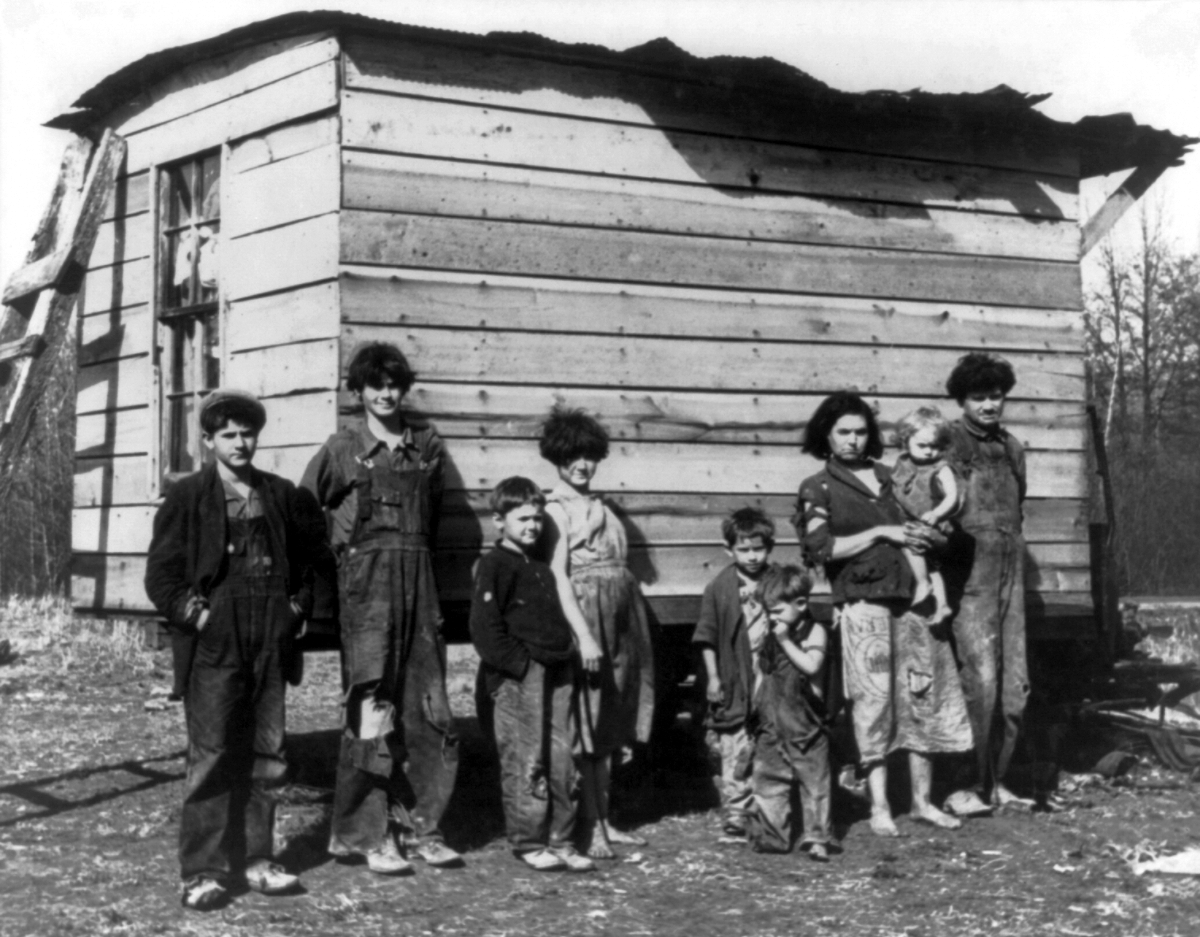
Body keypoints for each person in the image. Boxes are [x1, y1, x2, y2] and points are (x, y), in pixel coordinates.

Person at [144, 389, 328, 910]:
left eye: (247, 433)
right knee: (212, 755)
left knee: (269, 755)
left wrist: (297, 607)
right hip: (216, 639)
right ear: (208, 441)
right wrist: (198, 614)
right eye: (228, 435)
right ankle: (202, 872)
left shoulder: (281, 494)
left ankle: (258, 860)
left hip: (271, 633)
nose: (240, 442)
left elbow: (314, 558)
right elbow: (160, 577)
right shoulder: (188, 497)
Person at [301, 342, 461, 875]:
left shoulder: (426, 445)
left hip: (420, 584)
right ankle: (367, 835)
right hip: (367, 593)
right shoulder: (342, 448)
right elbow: (305, 512)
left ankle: (424, 829)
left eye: (393, 384)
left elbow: (433, 516)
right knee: (370, 709)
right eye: (375, 385)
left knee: (427, 708)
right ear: (358, 392)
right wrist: (339, 563)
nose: (386, 394)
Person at [794, 391, 973, 837]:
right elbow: (820, 548)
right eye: (843, 433)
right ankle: (879, 807)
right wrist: (881, 531)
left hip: (915, 601)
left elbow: (937, 530)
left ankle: (922, 802)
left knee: (921, 697)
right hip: (863, 605)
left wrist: (932, 540)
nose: (853, 441)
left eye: (860, 432)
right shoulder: (818, 487)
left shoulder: (895, 475)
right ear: (827, 437)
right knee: (873, 702)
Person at [539, 406, 655, 859]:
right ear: (557, 460)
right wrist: (584, 636)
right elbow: (559, 576)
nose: (582, 466)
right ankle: (587, 826)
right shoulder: (554, 509)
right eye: (572, 458)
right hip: (587, 615)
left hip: (622, 615)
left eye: (589, 456)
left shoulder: (602, 505)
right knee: (585, 720)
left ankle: (606, 818)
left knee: (612, 716)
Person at [469, 476, 597, 873]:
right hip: (521, 675)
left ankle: (562, 838)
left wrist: (569, 653)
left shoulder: (540, 567)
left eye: (538, 519)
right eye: (523, 518)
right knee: (527, 756)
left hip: (559, 668)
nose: (532, 527)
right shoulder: (493, 566)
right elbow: (485, 629)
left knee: (563, 755)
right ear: (498, 521)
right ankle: (529, 840)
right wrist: (522, 666)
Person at [942, 353, 1034, 813]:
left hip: (1010, 576)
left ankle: (999, 781)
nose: (989, 405)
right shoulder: (949, 443)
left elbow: (1018, 508)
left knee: (1014, 686)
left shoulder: (1013, 447)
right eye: (978, 397)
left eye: (995, 396)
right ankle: (963, 786)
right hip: (969, 578)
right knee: (978, 683)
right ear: (962, 400)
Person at [692, 507, 776, 838]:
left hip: (770, 674)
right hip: (733, 673)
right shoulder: (719, 588)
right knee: (736, 743)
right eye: (744, 550)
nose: (752, 556)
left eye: (759, 549)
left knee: (770, 738)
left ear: (770, 547)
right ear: (730, 550)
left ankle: (768, 807)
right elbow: (707, 636)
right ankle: (738, 810)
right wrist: (713, 678)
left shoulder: (779, 579)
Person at [745, 565, 833, 860]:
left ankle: (817, 837)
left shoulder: (814, 630)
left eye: (778, 611)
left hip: (803, 720)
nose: (773, 618)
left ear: (801, 604)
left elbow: (811, 666)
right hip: (772, 720)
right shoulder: (772, 633)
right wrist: (755, 705)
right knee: (768, 780)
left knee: (814, 782)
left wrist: (784, 640)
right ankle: (774, 835)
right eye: (769, 612)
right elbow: (763, 671)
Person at [891, 406, 960, 623]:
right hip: (912, 520)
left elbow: (953, 497)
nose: (929, 451)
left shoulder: (941, 468)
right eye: (922, 445)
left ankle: (923, 584)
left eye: (935, 446)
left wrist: (937, 513)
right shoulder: (902, 463)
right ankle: (942, 606)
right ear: (905, 441)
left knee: (909, 540)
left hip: (932, 526)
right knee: (932, 566)